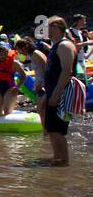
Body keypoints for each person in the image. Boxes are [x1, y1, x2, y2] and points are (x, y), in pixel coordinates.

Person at [36, 17, 80, 166]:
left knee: (57, 129)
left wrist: (55, 94)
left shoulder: (65, 45)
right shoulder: (56, 45)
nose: (44, 30)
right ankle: (58, 157)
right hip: (53, 91)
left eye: (47, 27)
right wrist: (47, 94)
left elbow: (67, 71)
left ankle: (62, 160)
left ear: (56, 27)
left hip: (61, 93)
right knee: (52, 128)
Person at [0, 41, 27, 116]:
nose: (3, 55)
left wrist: (17, 87)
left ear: (8, 52)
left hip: (10, 88)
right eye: (1, 54)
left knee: (7, 111)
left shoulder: (14, 63)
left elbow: (24, 76)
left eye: (5, 53)